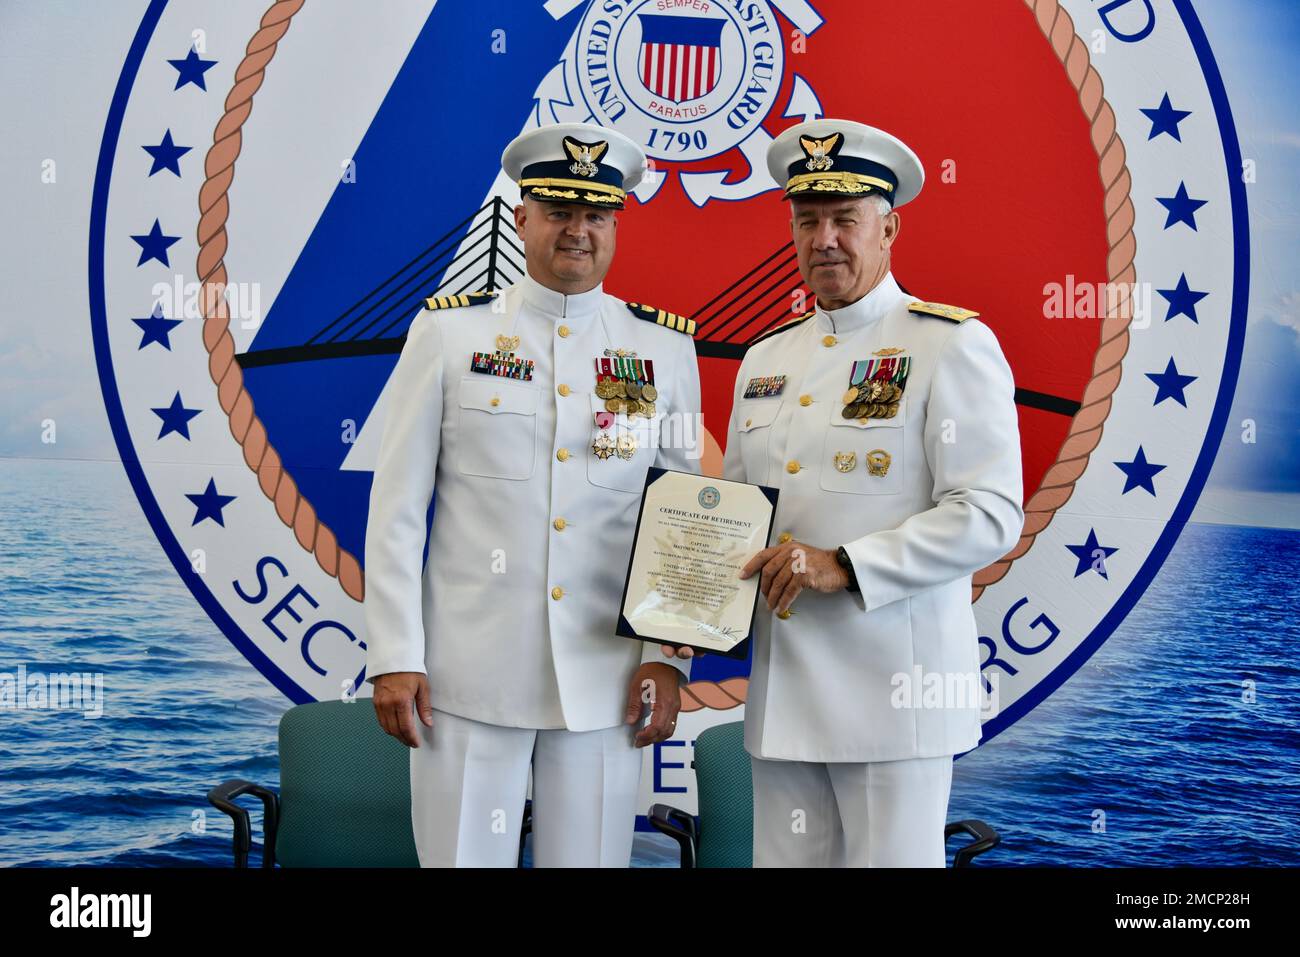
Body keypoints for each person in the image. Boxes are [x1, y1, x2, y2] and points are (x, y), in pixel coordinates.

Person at [363, 122, 702, 867]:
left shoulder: (665, 351)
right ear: (521, 218)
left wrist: (669, 660)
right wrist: (394, 652)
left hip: (608, 679)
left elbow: (680, 520)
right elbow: (396, 509)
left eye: (596, 215)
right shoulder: (449, 335)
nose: (578, 231)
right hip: (465, 678)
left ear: (615, 225)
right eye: (559, 210)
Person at [719, 119, 1024, 866]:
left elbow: (989, 515)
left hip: (895, 699)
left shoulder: (949, 343)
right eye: (808, 219)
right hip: (785, 695)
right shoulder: (766, 357)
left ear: (888, 227)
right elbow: (734, 516)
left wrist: (844, 563)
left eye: (845, 219)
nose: (825, 239)